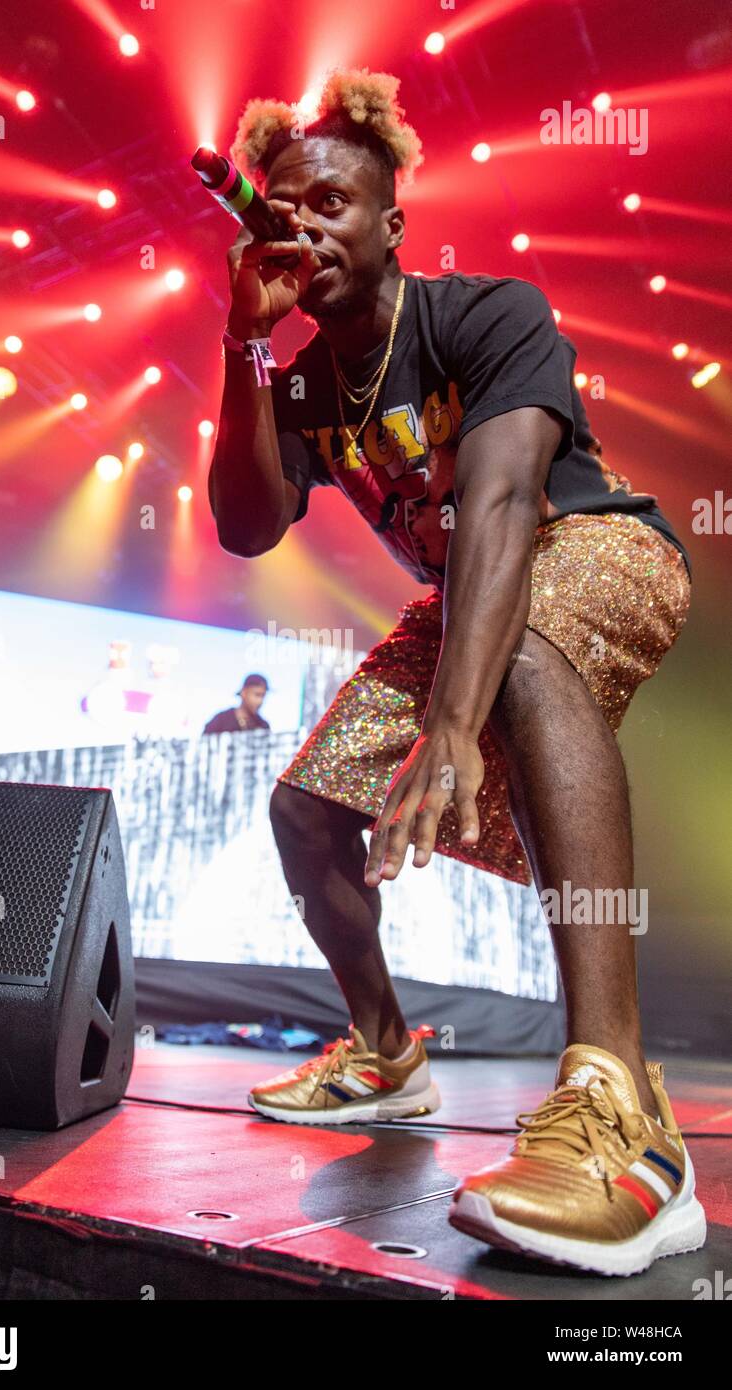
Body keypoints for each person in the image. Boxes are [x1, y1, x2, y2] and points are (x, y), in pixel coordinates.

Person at [207, 67, 703, 1276]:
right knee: (304, 811)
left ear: (391, 223)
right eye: (281, 206)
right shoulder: (304, 373)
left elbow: (498, 509)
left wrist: (449, 724)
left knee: (520, 653)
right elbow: (243, 524)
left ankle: (620, 1116)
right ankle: (383, 1051)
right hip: (467, 596)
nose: (303, 224)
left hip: (591, 546)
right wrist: (243, 343)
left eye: (330, 203)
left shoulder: (485, 313)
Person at [203, 673, 271, 733]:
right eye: (257, 695)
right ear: (244, 693)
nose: (260, 701)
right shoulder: (221, 720)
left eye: (263, 696)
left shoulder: (263, 726)